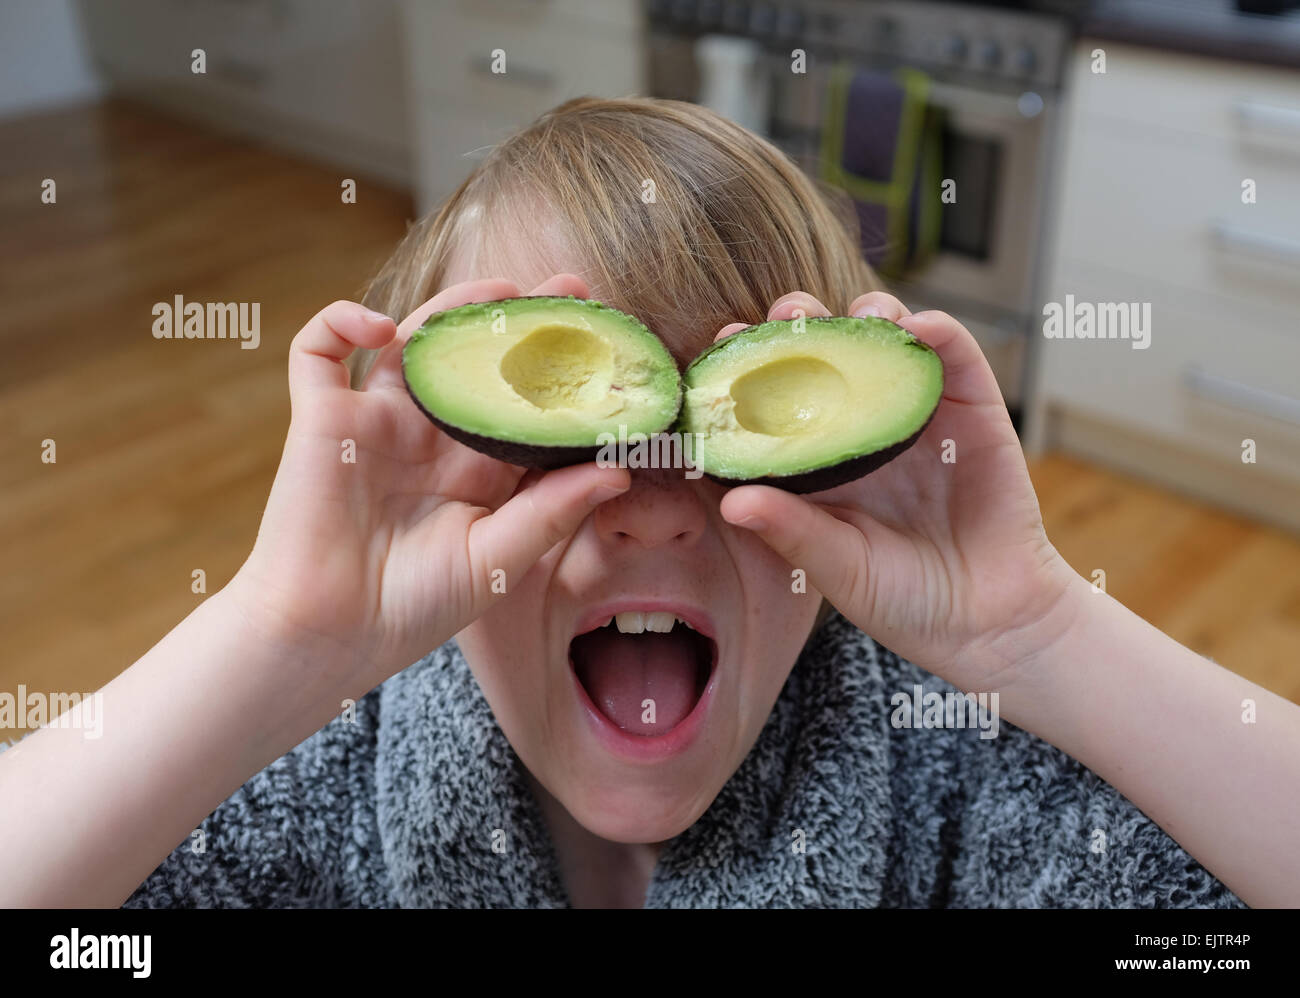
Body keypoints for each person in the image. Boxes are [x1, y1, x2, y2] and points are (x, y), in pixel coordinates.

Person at [2, 97, 1296, 909]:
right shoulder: (310, 778)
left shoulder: (949, 784)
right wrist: (276, 638)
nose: (655, 509)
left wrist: (1044, 639)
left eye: (737, 442)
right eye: (550, 446)